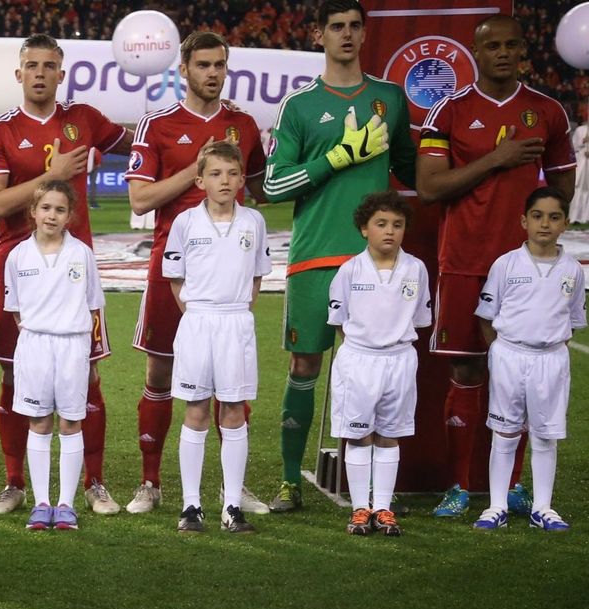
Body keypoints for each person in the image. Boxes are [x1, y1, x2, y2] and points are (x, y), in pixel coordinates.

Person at [416, 15, 575, 519]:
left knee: (524, 375)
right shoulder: (451, 110)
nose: (503, 53)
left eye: (512, 45)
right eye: (493, 46)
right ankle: (460, 486)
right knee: (467, 370)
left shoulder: (547, 111)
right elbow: (429, 188)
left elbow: (563, 192)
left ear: (522, 51)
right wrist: (497, 159)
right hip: (463, 258)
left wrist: (540, 233)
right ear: (476, 53)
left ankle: (512, 486)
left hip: (528, 268)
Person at [259, 0, 415, 513]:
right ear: (319, 36)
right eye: (336, 27)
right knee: (305, 364)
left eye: (354, 27)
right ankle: (289, 481)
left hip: (374, 262)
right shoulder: (300, 106)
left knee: (369, 367)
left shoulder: (391, 99)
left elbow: (416, 173)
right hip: (314, 256)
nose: (346, 35)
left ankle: (370, 495)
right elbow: (275, 184)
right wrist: (336, 157)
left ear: (364, 34)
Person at [0, 34, 129, 516]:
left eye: (49, 65)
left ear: (62, 74)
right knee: (12, 371)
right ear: (18, 74)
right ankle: (15, 483)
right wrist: (53, 173)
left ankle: (95, 483)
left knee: (89, 372)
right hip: (17, 266)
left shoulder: (84, 120)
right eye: (31, 65)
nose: (40, 73)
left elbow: (138, 139)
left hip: (74, 269)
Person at [126, 33, 269, 517]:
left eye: (220, 65)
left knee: (232, 381)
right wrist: (197, 168)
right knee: (160, 372)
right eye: (204, 64)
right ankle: (151, 483)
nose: (213, 73)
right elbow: (140, 200)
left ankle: (235, 488)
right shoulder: (158, 123)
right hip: (175, 271)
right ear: (183, 68)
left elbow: (262, 190)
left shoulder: (245, 125)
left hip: (229, 277)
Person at [161, 142, 273, 534]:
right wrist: (197, 315)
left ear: (242, 179)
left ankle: (231, 505)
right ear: (200, 180)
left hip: (236, 322)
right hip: (198, 322)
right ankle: (191, 506)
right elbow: (175, 278)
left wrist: (239, 313)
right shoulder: (185, 222)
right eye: (215, 173)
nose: (223, 181)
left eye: (231, 173)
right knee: (196, 410)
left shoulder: (253, 222)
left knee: (233, 410)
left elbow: (258, 275)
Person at [473, 188, 586, 531]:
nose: (545, 224)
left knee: (545, 435)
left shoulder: (573, 270)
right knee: (505, 433)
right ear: (524, 221)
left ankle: (542, 508)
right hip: (509, 355)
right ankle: (496, 506)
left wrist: (547, 347)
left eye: (554, 217)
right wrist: (500, 351)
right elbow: (486, 316)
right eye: (537, 216)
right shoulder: (506, 264)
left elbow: (573, 322)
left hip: (551, 360)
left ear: (566, 223)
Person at [326, 192, 433, 536]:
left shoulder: (416, 269)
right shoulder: (348, 270)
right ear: (364, 229)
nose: (390, 231)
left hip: (400, 360)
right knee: (359, 436)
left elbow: (419, 319)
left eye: (397, 225)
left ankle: (384, 509)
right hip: (359, 359)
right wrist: (366, 347)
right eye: (381, 224)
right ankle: (360, 509)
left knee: (389, 435)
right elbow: (340, 321)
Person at [2, 178, 104, 531]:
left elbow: (93, 307)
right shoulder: (17, 256)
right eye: (45, 208)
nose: (51, 215)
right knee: (39, 421)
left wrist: (87, 353)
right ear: (33, 212)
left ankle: (66, 504)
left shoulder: (81, 253)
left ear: (70, 216)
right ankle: (42, 503)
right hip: (34, 344)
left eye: (60, 209)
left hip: (73, 344)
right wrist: (38, 331)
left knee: (70, 422)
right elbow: (15, 310)